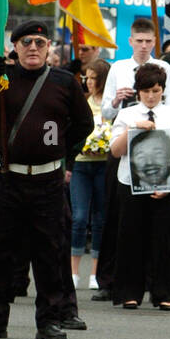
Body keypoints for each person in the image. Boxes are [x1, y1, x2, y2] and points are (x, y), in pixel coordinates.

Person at [0, 22, 92, 339]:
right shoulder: (3, 78)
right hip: (7, 179)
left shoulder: (64, 82)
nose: (34, 47)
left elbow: (84, 124)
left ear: (49, 45)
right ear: (15, 46)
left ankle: (49, 320)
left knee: (49, 252)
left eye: (40, 41)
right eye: (26, 42)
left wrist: (62, 154)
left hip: (48, 181)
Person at [109, 63, 170, 308]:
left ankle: (164, 293)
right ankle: (128, 292)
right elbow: (115, 150)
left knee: (162, 238)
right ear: (138, 92)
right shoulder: (127, 114)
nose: (151, 96)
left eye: (156, 90)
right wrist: (133, 129)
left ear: (163, 90)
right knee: (130, 237)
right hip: (130, 183)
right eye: (146, 91)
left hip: (163, 184)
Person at [71, 58, 110, 289]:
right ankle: (73, 271)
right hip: (81, 164)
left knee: (100, 219)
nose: (89, 82)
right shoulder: (82, 101)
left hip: (104, 164)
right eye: (87, 78)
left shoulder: (110, 105)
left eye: (93, 78)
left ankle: (96, 272)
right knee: (78, 218)